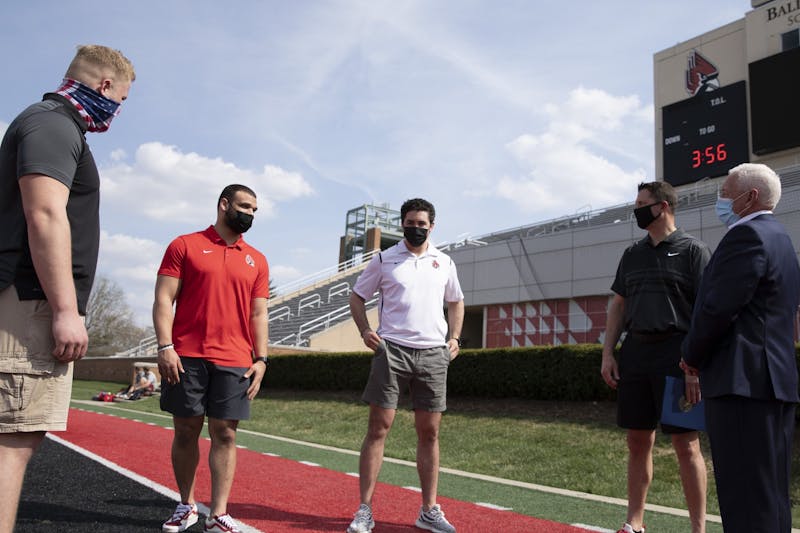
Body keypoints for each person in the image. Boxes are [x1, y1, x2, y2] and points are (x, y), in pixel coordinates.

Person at [0, 45, 134, 533]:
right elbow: (45, 213)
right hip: (28, 302)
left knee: (20, 435)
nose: (117, 110)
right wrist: (64, 309)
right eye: (120, 99)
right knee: (11, 441)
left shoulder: (50, 123)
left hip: (27, 299)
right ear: (104, 87)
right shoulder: (53, 123)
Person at [681, 163, 799, 532]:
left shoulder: (745, 237)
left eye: (726, 192)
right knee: (769, 492)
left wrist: (691, 355)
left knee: (745, 494)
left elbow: (719, 307)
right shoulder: (781, 239)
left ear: (750, 197)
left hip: (741, 381)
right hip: (773, 382)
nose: (721, 199)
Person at [154, 184, 269, 533]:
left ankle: (218, 513)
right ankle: (186, 505)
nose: (249, 214)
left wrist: (262, 359)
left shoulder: (257, 260)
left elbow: (259, 314)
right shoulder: (184, 245)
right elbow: (163, 299)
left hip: (235, 359)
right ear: (224, 205)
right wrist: (165, 346)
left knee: (226, 435)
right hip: (186, 355)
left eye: (254, 210)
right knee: (186, 431)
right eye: (244, 206)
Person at [346, 198, 465, 533]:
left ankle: (428, 510)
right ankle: (365, 510)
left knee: (429, 433)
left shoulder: (444, 262)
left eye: (422, 224)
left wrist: (454, 337)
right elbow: (357, 297)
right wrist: (365, 330)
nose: (416, 228)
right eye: (410, 223)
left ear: (432, 226)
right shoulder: (384, 259)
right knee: (378, 429)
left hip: (432, 355)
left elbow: (456, 302)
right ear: (402, 224)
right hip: (392, 351)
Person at [600, 182, 709, 533]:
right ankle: (634, 522)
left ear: (662, 207)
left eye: (641, 204)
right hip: (636, 354)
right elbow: (618, 306)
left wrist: (694, 365)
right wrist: (608, 353)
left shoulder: (694, 251)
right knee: (637, 440)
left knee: (685, 443)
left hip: (676, 355)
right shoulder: (632, 254)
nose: (636, 211)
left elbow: (707, 313)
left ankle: (698, 528)